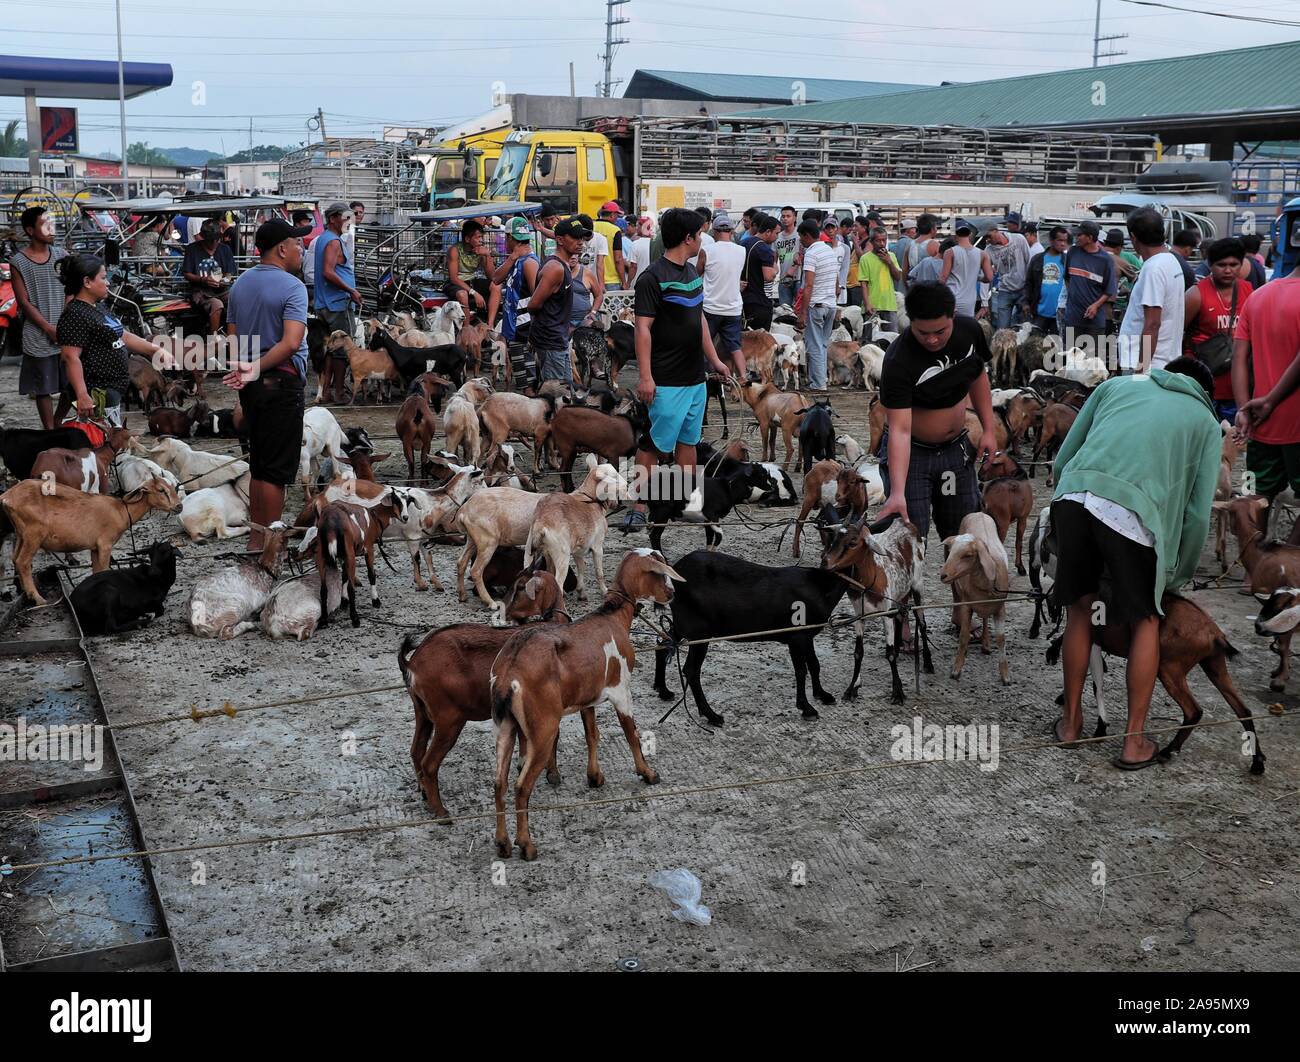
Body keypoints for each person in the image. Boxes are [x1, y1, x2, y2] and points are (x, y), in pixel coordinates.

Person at [1050, 358, 1221, 768]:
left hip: (1074, 497)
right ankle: (1133, 742)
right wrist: (1176, 574)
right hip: (1134, 515)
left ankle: (1070, 724)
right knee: (1145, 618)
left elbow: (1061, 461)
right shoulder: (1205, 422)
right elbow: (1198, 514)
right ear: (1204, 393)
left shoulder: (1117, 386)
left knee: (1080, 609)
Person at [621, 207, 733, 533]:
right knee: (653, 445)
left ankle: (687, 501)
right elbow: (642, 330)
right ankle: (639, 505)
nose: (702, 239)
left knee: (689, 443)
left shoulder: (691, 274)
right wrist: (645, 376)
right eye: (699, 234)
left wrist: (714, 360)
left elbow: (699, 321)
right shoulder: (652, 278)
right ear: (688, 238)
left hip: (695, 376)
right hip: (666, 378)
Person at [875, 281, 997, 544]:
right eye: (923, 332)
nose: (932, 339)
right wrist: (897, 492)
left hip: (953, 455)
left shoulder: (970, 332)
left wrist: (988, 429)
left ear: (953, 316)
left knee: (961, 533)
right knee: (911, 534)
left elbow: (977, 377)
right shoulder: (899, 360)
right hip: (914, 458)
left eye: (940, 331)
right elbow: (900, 429)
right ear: (911, 322)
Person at [222, 217, 313, 552]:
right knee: (274, 473)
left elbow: (232, 335)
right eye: (298, 244)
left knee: (259, 466)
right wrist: (255, 367)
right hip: (281, 382)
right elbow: (291, 343)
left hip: (253, 386)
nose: (302, 250)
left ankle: (256, 542)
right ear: (282, 249)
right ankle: (270, 550)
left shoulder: (241, 284)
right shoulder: (293, 287)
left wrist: (243, 370)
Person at [56, 254, 167, 427]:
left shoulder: (98, 306)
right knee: (104, 444)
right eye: (103, 277)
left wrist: (155, 350)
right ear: (87, 282)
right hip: (96, 392)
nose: (108, 283)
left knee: (111, 442)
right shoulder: (75, 314)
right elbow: (70, 357)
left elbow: (122, 334)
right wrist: (82, 394)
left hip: (111, 389)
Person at [1231, 258, 1300, 506]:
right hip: (1291, 422)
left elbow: (1238, 358)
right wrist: (1270, 401)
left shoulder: (1259, 296)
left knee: (1254, 494)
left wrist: (1243, 409)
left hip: (1259, 422)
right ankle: (1288, 547)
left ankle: (1253, 545)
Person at [11, 206, 70, 428]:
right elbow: (24, 302)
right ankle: (49, 430)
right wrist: (47, 327)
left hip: (64, 329)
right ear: (30, 230)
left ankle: (57, 422)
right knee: (43, 387)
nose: (51, 228)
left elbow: (71, 291)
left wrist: (64, 322)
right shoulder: (19, 261)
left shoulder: (62, 255)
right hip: (37, 332)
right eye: (45, 224)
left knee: (70, 384)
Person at [1185, 237, 1251, 418]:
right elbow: (1178, 333)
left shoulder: (1249, 291)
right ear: (1210, 265)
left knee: (1234, 440)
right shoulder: (1196, 294)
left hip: (1237, 386)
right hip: (1203, 384)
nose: (1228, 270)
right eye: (1221, 265)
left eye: (1234, 264)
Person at [1116, 207, 1185, 373]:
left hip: (1146, 364)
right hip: (1163, 360)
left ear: (1133, 237)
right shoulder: (1171, 261)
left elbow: (1153, 323)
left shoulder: (1153, 269)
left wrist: (1141, 370)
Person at [313, 203, 362, 404]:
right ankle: (339, 392)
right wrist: (350, 290)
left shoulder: (323, 239)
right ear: (333, 218)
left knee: (329, 350)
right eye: (346, 218)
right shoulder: (333, 242)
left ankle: (325, 392)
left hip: (324, 302)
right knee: (342, 350)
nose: (349, 222)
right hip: (337, 304)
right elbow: (328, 271)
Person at [526, 216, 584, 384]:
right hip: (551, 340)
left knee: (565, 391)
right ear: (559, 240)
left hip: (558, 338)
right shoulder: (555, 268)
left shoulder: (564, 264)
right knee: (557, 395)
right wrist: (548, 324)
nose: (580, 241)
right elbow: (533, 305)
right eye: (574, 237)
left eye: (581, 237)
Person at [697, 212, 747, 377]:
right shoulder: (741, 251)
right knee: (735, 347)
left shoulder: (706, 250)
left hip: (711, 306)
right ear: (732, 231)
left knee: (704, 343)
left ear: (714, 230)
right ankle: (742, 377)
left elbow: (698, 273)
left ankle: (703, 376)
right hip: (733, 307)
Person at [798, 218, 839, 391]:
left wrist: (802, 312)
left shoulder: (811, 254)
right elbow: (837, 281)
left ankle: (818, 384)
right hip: (830, 304)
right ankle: (821, 380)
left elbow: (808, 285)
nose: (800, 240)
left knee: (814, 346)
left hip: (817, 305)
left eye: (801, 237)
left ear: (807, 236)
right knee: (822, 344)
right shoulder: (829, 250)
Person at [1061, 220, 1116, 347]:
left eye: (1080, 235)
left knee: (1092, 362)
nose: (1076, 237)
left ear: (1090, 238)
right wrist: (1074, 295)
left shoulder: (1105, 260)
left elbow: (1109, 290)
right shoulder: (1072, 252)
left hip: (1094, 322)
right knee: (1070, 359)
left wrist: (1095, 306)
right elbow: (1067, 278)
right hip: (1072, 318)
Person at [492, 217, 542, 343]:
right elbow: (496, 279)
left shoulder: (529, 263)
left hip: (523, 327)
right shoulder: (516, 259)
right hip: (512, 325)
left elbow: (537, 298)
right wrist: (512, 258)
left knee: (522, 362)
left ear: (509, 238)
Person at [182, 219, 236, 335]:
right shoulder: (192, 249)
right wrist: (203, 280)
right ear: (202, 237)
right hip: (200, 291)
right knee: (216, 305)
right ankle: (213, 343)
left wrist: (224, 280)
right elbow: (187, 273)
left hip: (222, 290)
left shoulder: (225, 249)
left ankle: (235, 337)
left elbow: (229, 273)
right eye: (210, 241)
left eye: (216, 240)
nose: (213, 243)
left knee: (238, 300)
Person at [938, 221, 992, 319]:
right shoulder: (982, 254)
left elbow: (943, 277)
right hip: (969, 301)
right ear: (970, 234)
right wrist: (977, 277)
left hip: (952, 299)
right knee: (965, 329)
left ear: (954, 235)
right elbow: (989, 277)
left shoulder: (950, 252)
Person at [1022, 225, 1070, 335]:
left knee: (1057, 348)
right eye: (1060, 240)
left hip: (1060, 314)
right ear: (1051, 240)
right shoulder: (1037, 259)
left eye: (1065, 241)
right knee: (1035, 345)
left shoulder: (1068, 260)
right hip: (1039, 313)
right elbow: (1029, 283)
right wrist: (1025, 303)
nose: (1063, 244)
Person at [446, 218, 497, 321]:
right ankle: (467, 328)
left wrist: (487, 255)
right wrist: (474, 293)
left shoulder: (481, 250)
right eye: (478, 237)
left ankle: (490, 324)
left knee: (497, 286)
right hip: (457, 283)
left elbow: (492, 276)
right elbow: (454, 278)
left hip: (472, 281)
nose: (481, 240)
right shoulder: (454, 250)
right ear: (467, 239)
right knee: (463, 294)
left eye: (481, 237)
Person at [985, 222, 1032, 329]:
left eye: (989, 236)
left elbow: (1029, 261)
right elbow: (986, 274)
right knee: (1002, 328)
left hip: (1022, 288)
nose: (987, 240)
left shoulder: (1018, 239)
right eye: (985, 237)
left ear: (996, 231)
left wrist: (1029, 289)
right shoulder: (988, 250)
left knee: (1024, 327)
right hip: (1005, 290)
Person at [857, 226, 902, 329]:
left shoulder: (891, 256)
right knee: (870, 340)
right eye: (878, 241)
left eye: (884, 240)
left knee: (891, 338)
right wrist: (867, 304)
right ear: (872, 242)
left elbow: (898, 277)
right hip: (872, 305)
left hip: (889, 305)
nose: (882, 243)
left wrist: (889, 262)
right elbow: (864, 284)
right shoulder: (865, 258)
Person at [741, 213, 779, 332]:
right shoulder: (764, 249)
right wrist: (775, 269)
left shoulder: (744, 242)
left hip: (743, 298)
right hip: (759, 301)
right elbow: (768, 276)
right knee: (760, 342)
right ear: (768, 231)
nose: (777, 237)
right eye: (776, 233)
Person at [1102, 227, 1141, 330]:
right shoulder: (1120, 262)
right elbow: (1138, 283)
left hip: (1083, 311)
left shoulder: (1091, 257)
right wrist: (1127, 292)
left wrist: (1119, 287)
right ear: (1119, 248)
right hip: (1105, 313)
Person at [594, 201, 628, 290]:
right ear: (612, 215)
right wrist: (624, 282)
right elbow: (618, 259)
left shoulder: (591, 227)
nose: (617, 218)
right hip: (611, 281)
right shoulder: (615, 230)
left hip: (593, 278)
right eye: (617, 215)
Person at [904, 214, 940, 289]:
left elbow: (905, 270)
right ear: (932, 229)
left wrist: (907, 287)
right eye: (936, 227)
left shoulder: (909, 245)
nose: (936, 230)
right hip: (930, 288)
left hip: (913, 287)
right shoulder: (935, 245)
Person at [774, 205, 801, 307]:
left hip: (798, 278)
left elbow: (803, 253)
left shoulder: (799, 234)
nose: (785, 218)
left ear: (794, 218)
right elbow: (774, 258)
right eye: (783, 216)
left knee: (799, 310)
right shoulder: (778, 236)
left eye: (788, 216)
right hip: (784, 279)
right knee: (784, 311)